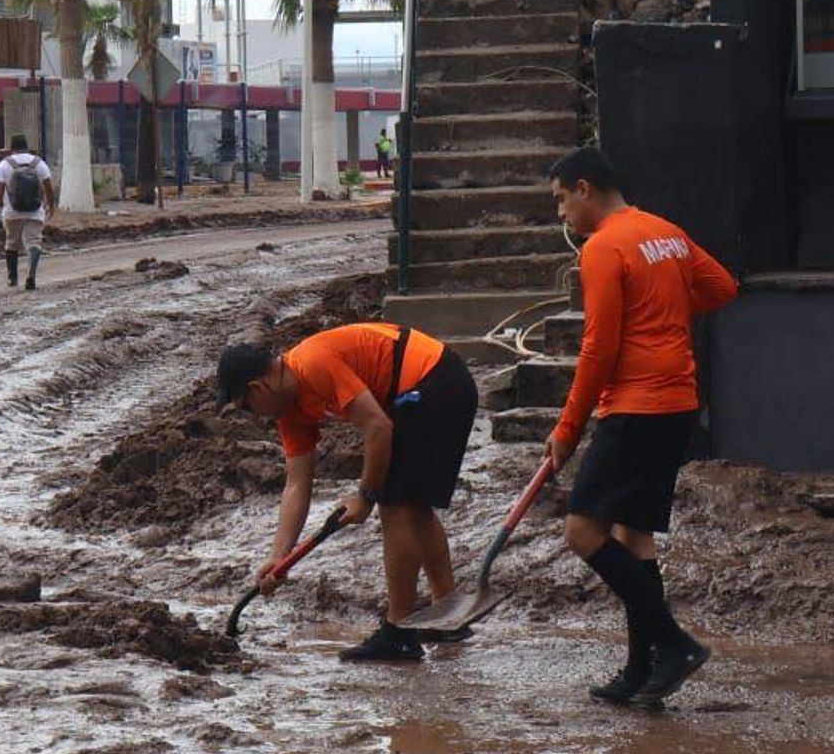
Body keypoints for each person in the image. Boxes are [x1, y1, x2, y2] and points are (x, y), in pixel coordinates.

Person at [542, 146, 737, 709]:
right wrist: (666, 309)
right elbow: (722, 287)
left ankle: (674, 645)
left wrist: (568, 427)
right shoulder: (665, 232)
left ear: (584, 188)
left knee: (582, 532)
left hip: (635, 405)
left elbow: (598, 346)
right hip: (677, 401)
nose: (561, 215)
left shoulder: (603, 248)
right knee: (634, 537)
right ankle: (639, 670)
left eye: (560, 201)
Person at [218, 321, 478, 661]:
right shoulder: (290, 412)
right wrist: (279, 556)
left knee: (395, 505)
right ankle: (448, 615)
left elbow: (378, 426)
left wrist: (366, 494)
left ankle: (399, 632)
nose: (252, 416)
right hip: (421, 390)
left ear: (258, 387)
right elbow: (297, 483)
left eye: (245, 407)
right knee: (411, 505)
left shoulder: (311, 364)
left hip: (435, 380)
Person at [0, 135, 54, 290]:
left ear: (12, 148)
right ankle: (31, 273)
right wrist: (51, 205)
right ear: (27, 146)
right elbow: (48, 187)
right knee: (33, 242)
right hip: (35, 211)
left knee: (12, 243)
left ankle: (12, 278)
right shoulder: (39, 163)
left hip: (12, 212)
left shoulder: (5, 164)